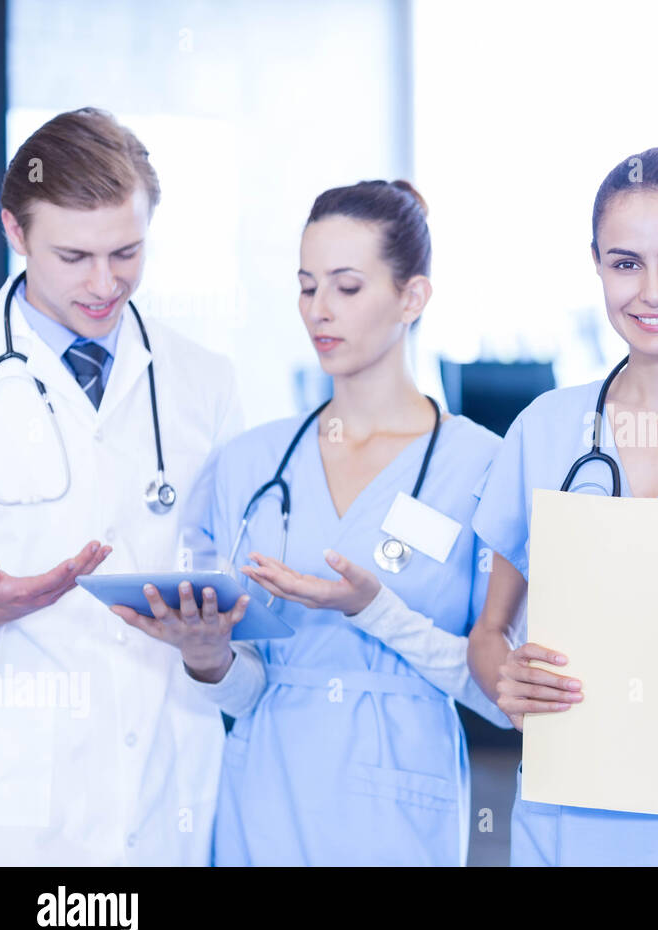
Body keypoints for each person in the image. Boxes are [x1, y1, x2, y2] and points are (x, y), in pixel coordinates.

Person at [114, 180, 509, 865]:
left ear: (413, 297)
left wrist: (377, 610)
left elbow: (503, 698)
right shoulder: (249, 464)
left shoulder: (481, 467)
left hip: (399, 804)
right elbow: (249, 683)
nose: (319, 311)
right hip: (263, 793)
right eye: (306, 286)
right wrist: (206, 656)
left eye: (347, 287)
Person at [467, 147, 658, 866]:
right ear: (598, 267)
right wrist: (507, 682)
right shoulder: (545, 428)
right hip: (565, 819)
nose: (653, 291)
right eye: (625, 264)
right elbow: (489, 633)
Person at [0, 108, 243, 864]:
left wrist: (212, 646)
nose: (105, 285)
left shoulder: (205, 382)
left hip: (167, 793)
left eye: (126, 252)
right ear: (15, 230)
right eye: (74, 256)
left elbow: (234, 590)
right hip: (17, 807)